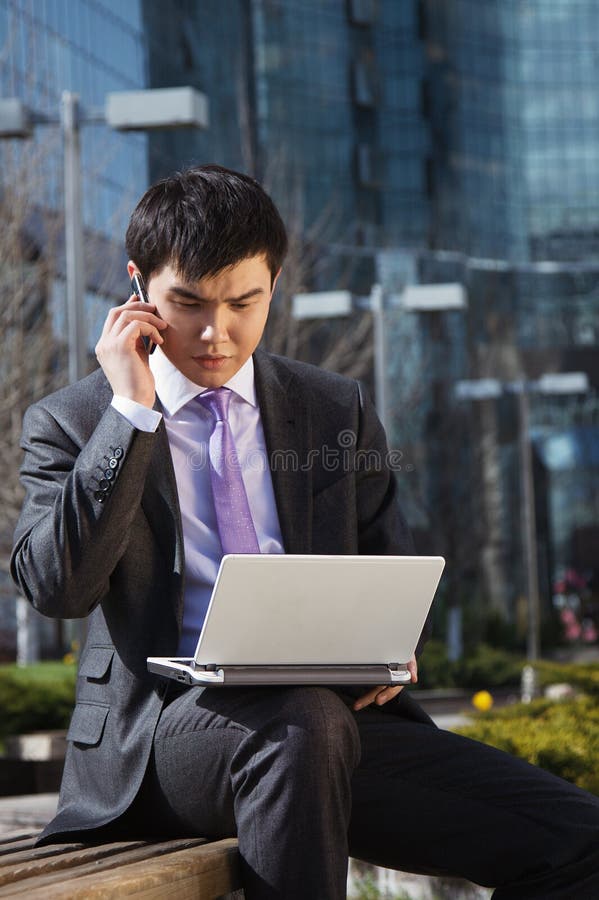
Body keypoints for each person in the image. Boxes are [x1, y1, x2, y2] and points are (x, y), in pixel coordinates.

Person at [10, 165, 599, 899]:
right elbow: (57, 590)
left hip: (333, 721)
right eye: (185, 303)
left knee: (579, 843)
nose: (214, 333)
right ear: (137, 288)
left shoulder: (333, 408)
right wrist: (130, 417)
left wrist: (388, 649)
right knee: (301, 724)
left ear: (274, 283)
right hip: (160, 739)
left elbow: (389, 567)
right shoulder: (72, 421)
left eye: (242, 302)